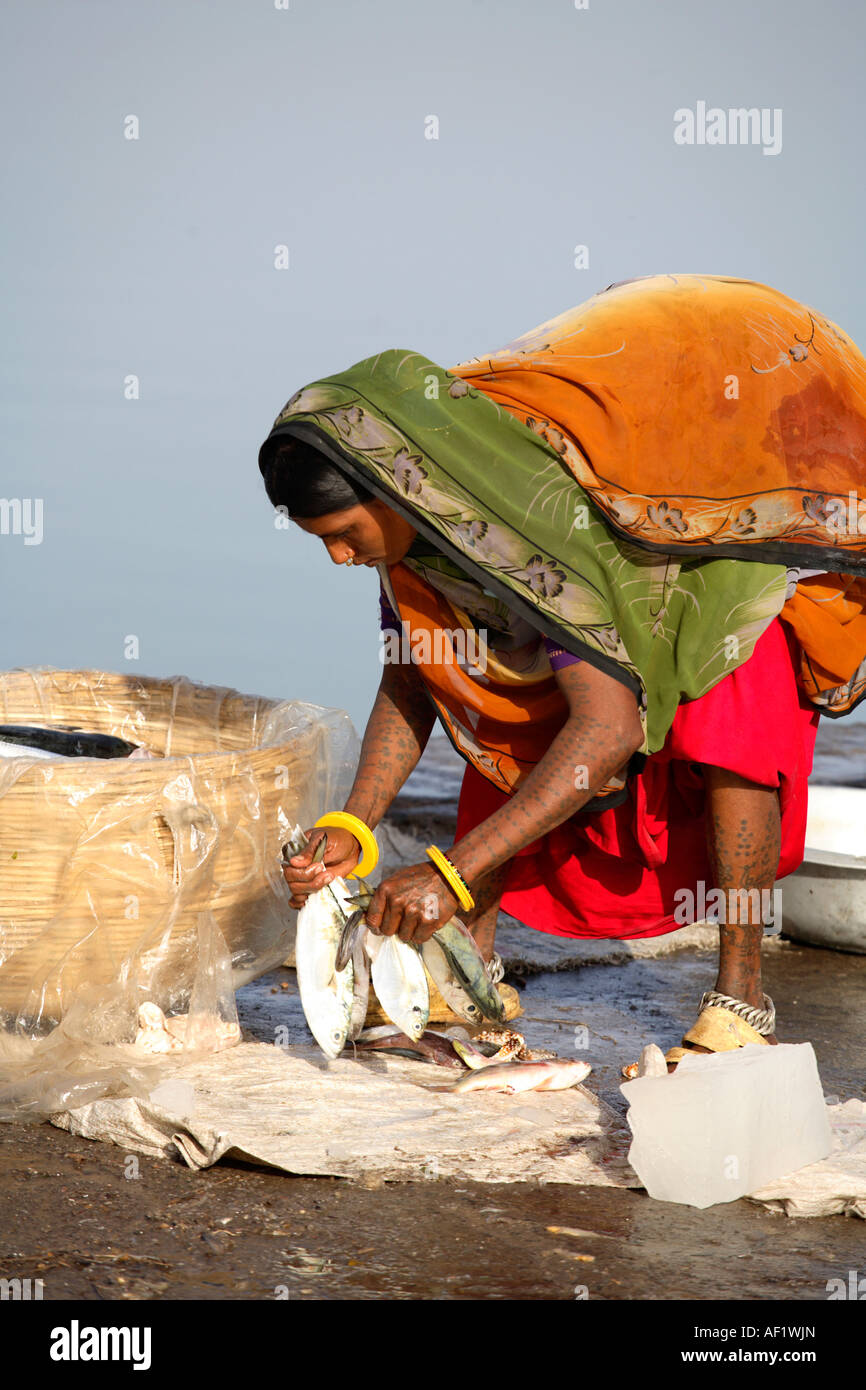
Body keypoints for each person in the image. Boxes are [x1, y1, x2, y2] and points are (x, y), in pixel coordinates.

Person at [259, 274, 866, 1067]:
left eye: (342, 532)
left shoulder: (530, 529)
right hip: (615, 544)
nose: (340, 557)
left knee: (729, 704)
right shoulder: (415, 511)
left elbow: (607, 729)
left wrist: (448, 871)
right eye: (320, 542)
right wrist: (353, 825)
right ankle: (472, 971)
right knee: (485, 697)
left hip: (739, 453)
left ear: (390, 488)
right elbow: (417, 679)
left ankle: (742, 995)